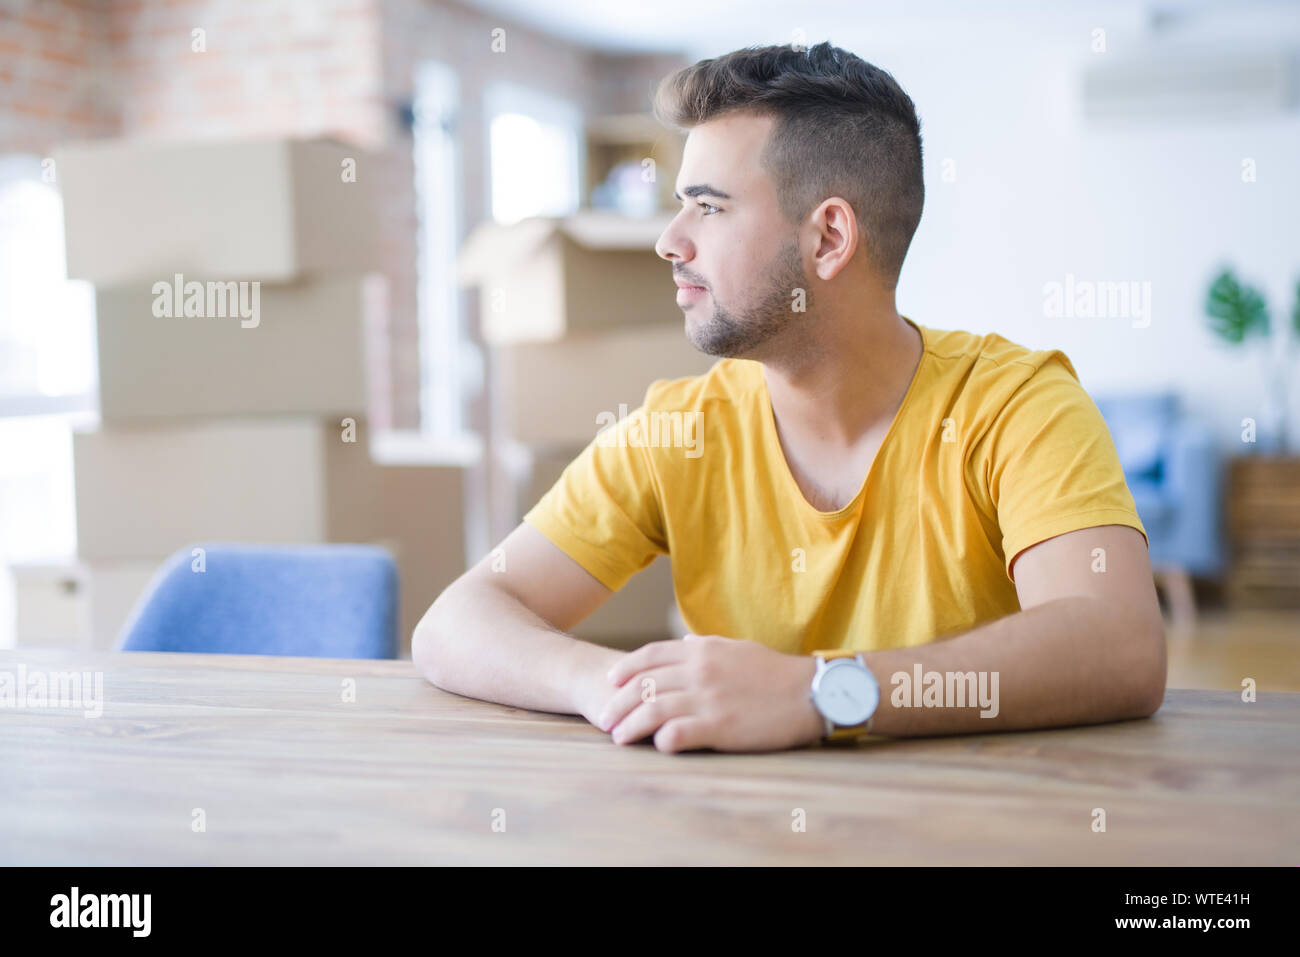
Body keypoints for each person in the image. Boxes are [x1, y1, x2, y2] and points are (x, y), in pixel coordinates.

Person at [413, 42, 1165, 754]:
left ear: (830, 238)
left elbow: (1119, 644)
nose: (669, 240)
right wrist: (616, 687)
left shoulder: (1015, 405)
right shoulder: (678, 429)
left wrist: (821, 693)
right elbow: (455, 622)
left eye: (707, 207)